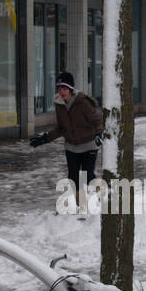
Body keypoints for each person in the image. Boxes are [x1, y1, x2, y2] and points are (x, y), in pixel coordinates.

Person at [30, 71, 103, 211]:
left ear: (70, 89)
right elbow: (61, 128)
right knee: (74, 177)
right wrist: (45, 138)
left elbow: (97, 120)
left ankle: (104, 196)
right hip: (71, 147)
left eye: (64, 88)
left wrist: (99, 133)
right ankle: (81, 207)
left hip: (88, 144)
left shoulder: (83, 102)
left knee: (88, 175)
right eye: (59, 88)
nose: (61, 92)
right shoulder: (59, 104)